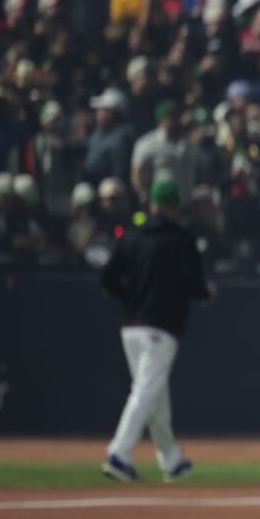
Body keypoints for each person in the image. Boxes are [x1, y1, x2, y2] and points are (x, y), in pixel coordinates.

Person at [99, 180, 215, 482]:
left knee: (155, 396)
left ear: (151, 203)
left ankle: (172, 459)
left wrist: (129, 296)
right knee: (145, 392)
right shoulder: (180, 239)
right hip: (161, 329)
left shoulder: (132, 235)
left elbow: (108, 278)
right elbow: (194, 283)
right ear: (175, 206)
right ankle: (120, 453)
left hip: (131, 327)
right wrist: (208, 292)